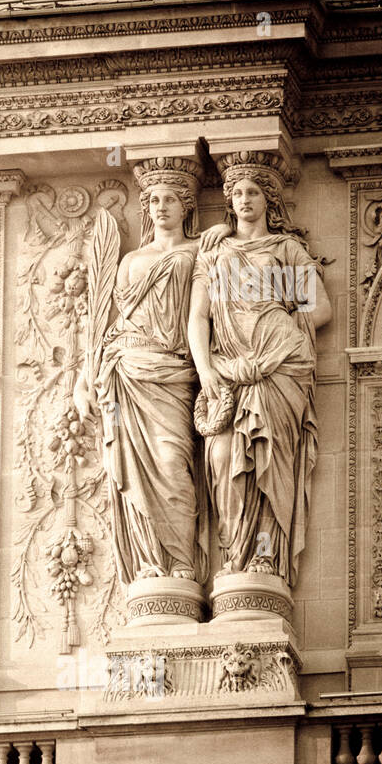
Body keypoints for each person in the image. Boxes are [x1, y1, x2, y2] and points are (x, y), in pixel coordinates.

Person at [188, 152, 332, 585]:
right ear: (228, 202)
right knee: (223, 455)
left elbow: (320, 307)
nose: (244, 199)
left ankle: (265, 557)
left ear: (268, 199)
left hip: (279, 370)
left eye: (253, 191)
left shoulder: (286, 248)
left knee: (272, 459)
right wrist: (208, 370)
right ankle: (234, 551)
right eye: (236, 193)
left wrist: (281, 340)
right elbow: (198, 317)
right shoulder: (213, 254)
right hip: (229, 369)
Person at [77, 158, 206, 584]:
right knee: (131, 471)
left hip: (174, 371)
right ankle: (152, 562)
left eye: (170, 199)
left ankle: (182, 561)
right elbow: (105, 320)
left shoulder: (200, 251)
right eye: (153, 200)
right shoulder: (132, 259)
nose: (161, 206)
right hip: (127, 369)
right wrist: (87, 374)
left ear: (186, 206)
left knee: (172, 464)